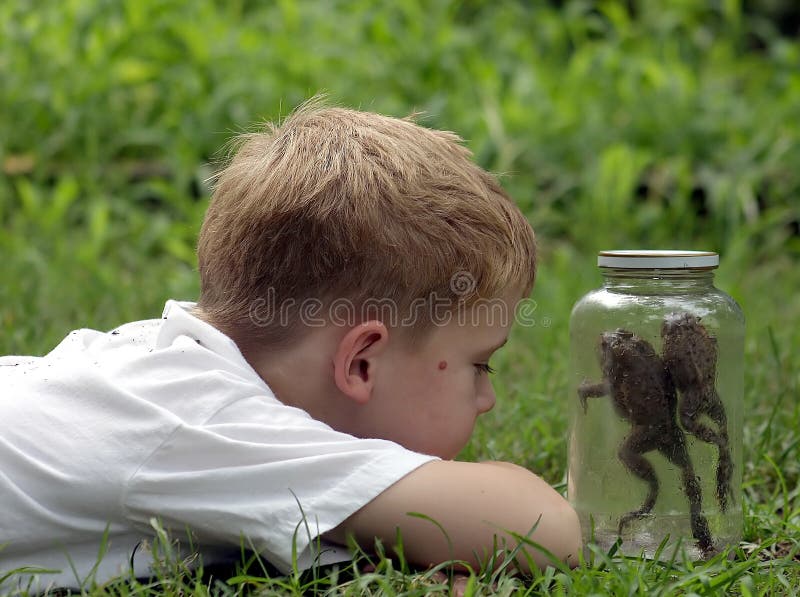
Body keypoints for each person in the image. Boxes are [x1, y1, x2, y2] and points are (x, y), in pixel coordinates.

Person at [0, 100, 581, 592]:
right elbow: (546, 530)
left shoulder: (164, 372)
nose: (488, 400)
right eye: (479, 365)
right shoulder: (209, 422)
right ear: (360, 361)